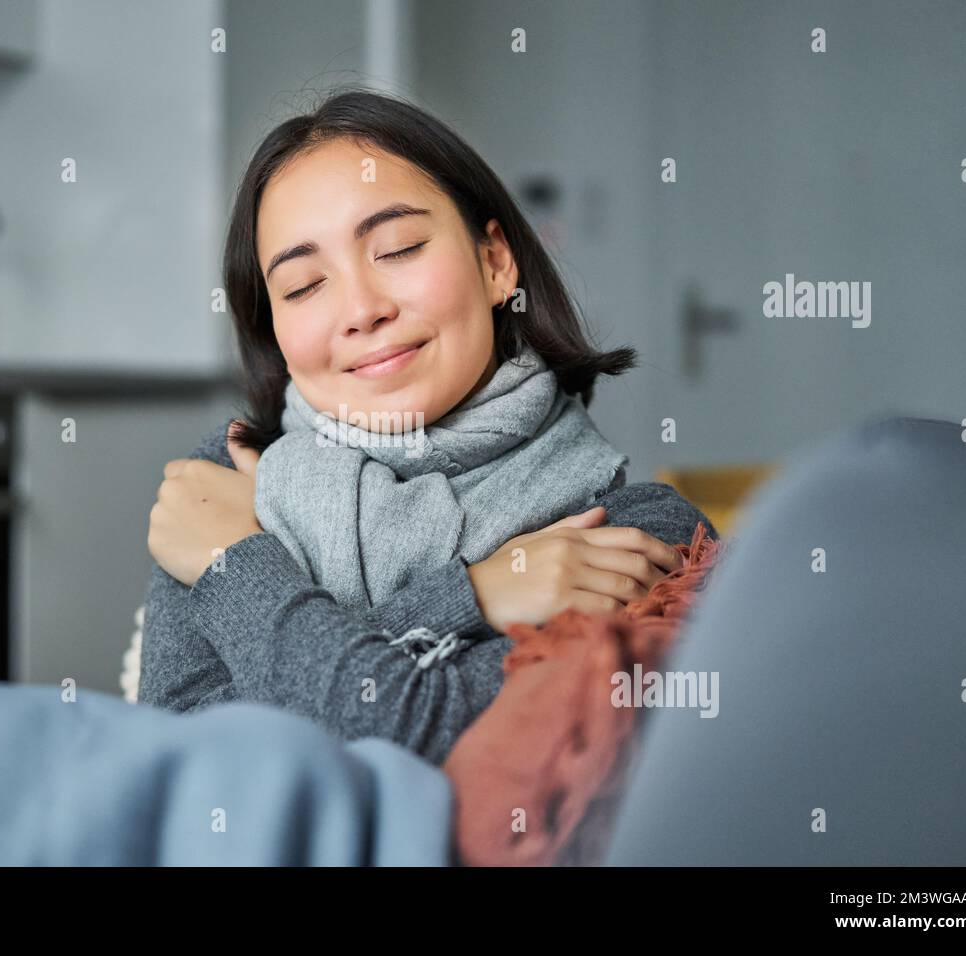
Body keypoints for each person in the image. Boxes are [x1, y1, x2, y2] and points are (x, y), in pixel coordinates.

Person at [140, 87, 716, 765]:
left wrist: (235, 565)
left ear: (496, 262)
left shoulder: (633, 532)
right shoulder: (229, 479)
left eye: (399, 248)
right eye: (302, 287)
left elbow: (413, 739)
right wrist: (477, 596)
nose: (360, 309)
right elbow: (185, 760)